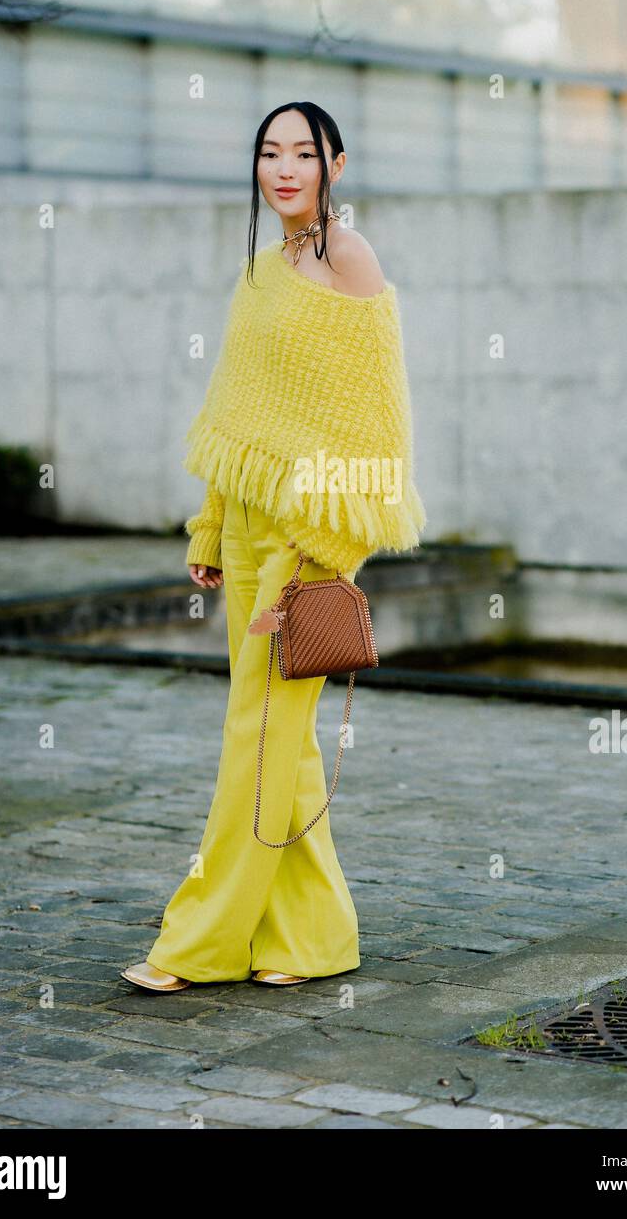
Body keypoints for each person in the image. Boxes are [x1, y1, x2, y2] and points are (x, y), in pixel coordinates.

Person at [121, 100, 425, 992]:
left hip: (309, 530)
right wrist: (213, 527)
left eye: (303, 152)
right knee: (280, 742)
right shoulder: (264, 265)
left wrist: (325, 545)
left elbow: (378, 421)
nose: (284, 168)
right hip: (250, 521)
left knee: (254, 731)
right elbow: (237, 412)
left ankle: (198, 945)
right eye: (269, 152)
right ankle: (313, 938)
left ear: (337, 163)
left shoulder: (349, 257)